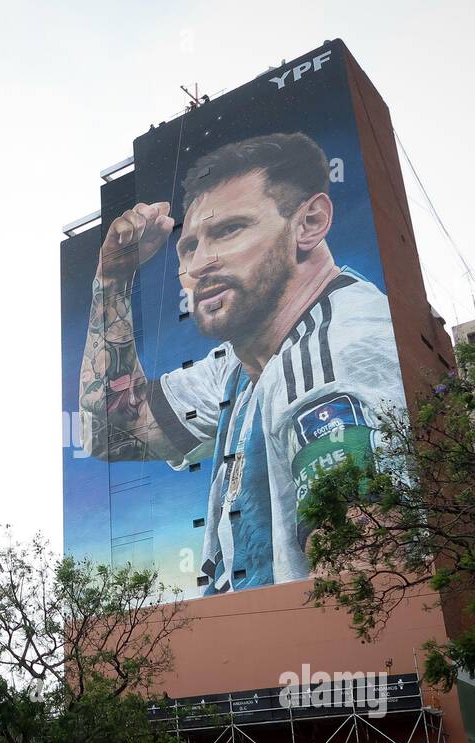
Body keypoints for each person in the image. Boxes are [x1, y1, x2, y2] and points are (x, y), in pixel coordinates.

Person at [79, 132, 405, 590]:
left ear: (309, 222)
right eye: (189, 247)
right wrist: (113, 276)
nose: (200, 266)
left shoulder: (331, 353)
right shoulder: (243, 358)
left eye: (229, 230)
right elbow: (110, 433)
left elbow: (367, 587)